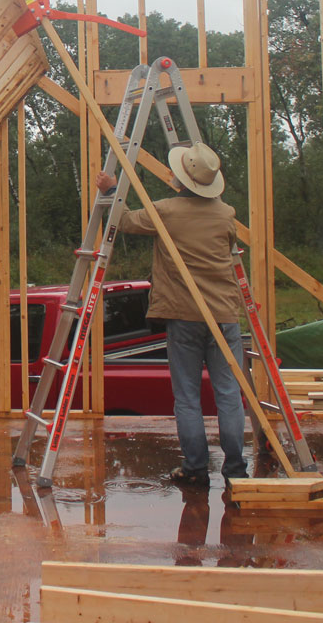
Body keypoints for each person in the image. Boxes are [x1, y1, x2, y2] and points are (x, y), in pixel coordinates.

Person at [95, 143, 246, 488]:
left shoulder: (166, 211)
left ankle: (195, 468)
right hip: (224, 314)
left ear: (181, 179)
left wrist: (111, 190)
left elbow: (125, 221)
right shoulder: (226, 214)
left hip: (184, 314)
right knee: (228, 393)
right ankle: (236, 469)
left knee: (188, 396)